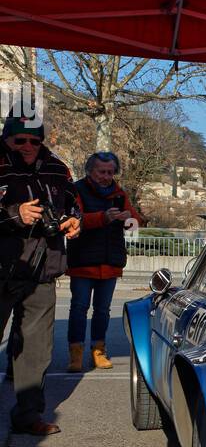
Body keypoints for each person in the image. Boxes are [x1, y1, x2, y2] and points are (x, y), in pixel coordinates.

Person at [0, 113, 80, 435]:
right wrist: (13, 214)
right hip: (3, 266)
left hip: (43, 267)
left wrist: (74, 220)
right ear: (6, 138)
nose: (29, 146)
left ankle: (28, 415)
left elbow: (74, 203)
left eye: (35, 140)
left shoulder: (58, 167)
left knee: (36, 348)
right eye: (20, 140)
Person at [65, 151, 144, 372]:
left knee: (103, 310)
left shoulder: (120, 194)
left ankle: (99, 350)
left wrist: (130, 218)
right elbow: (74, 219)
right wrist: (102, 218)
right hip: (83, 261)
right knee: (79, 308)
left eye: (110, 172)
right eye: (102, 171)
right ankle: (76, 352)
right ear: (90, 171)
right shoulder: (76, 190)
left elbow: (136, 223)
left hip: (110, 262)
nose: (106, 176)